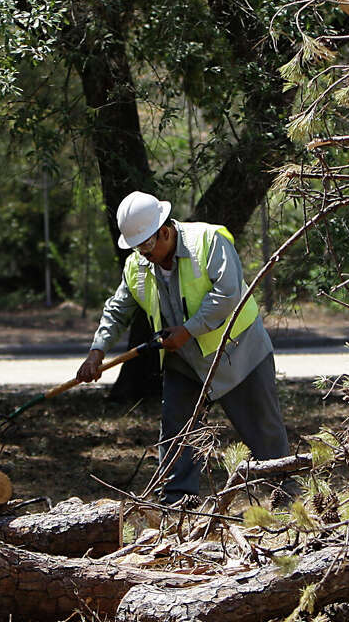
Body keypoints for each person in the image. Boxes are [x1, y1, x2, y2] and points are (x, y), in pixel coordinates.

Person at [78, 190, 291, 506]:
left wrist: (189, 330)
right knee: (177, 433)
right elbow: (117, 309)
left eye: (147, 245)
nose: (143, 254)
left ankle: (288, 500)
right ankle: (177, 503)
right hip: (185, 361)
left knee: (264, 432)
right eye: (137, 247)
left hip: (238, 353)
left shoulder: (208, 241)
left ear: (165, 231)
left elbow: (228, 294)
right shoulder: (138, 265)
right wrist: (97, 351)